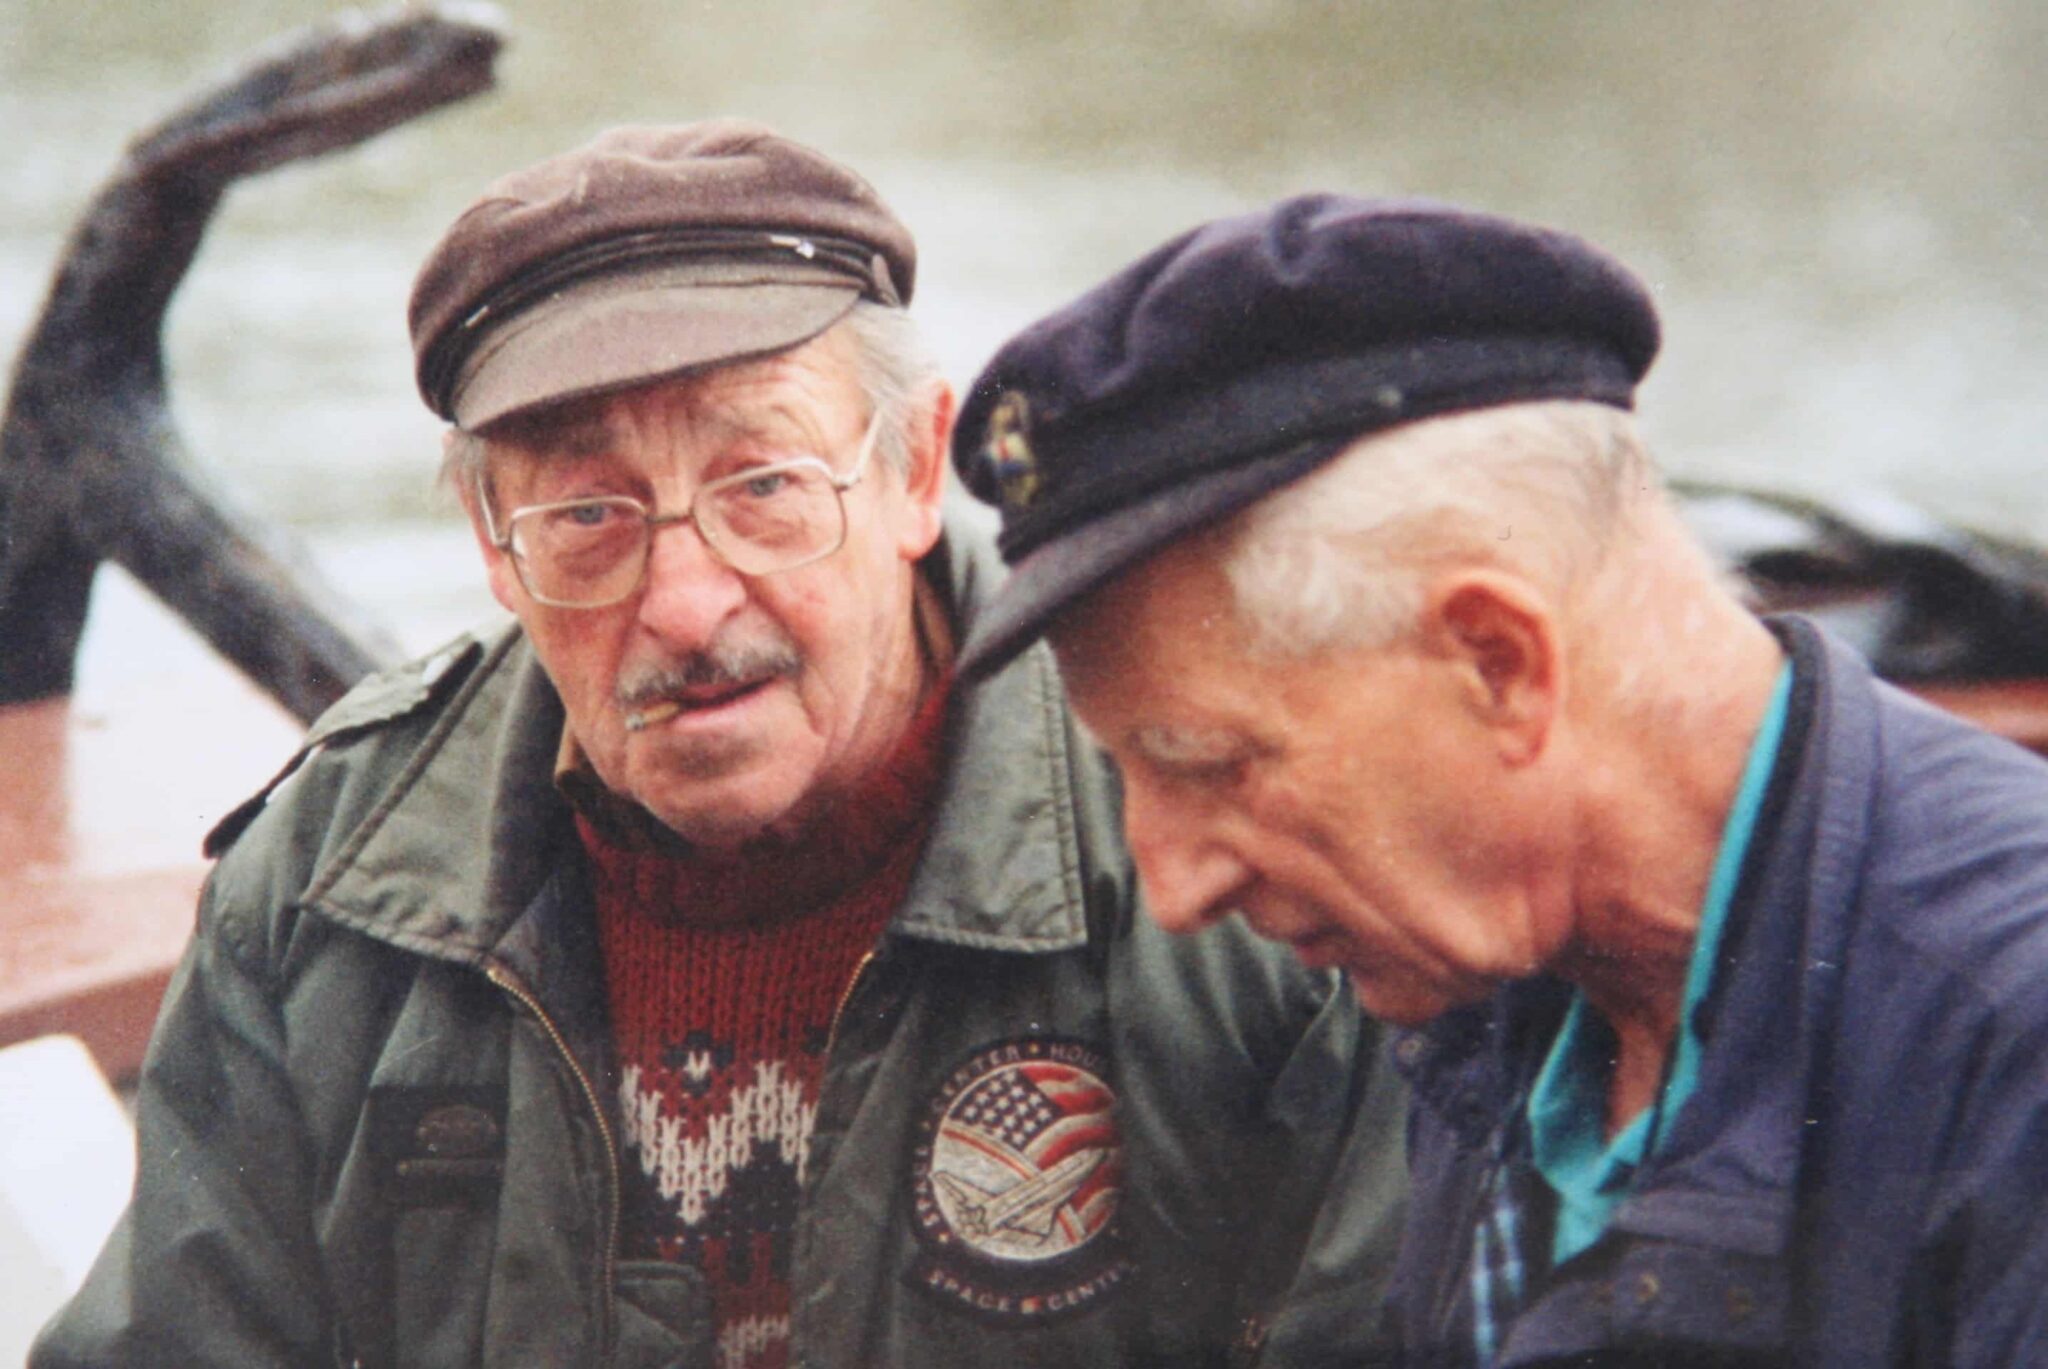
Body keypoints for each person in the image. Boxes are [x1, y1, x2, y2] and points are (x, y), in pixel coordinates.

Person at [31, 126, 1410, 1369]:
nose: (686, 606)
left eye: (762, 485)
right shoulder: (323, 892)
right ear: (490, 551)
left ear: (917, 472)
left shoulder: (1241, 872)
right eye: (587, 515)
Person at [943, 193, 2048, 1365]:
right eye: (1122, 772)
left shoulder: (2009, 1042)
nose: (1170, 884)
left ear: (1497, 663)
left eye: (1210, 764)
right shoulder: (1482, 973)